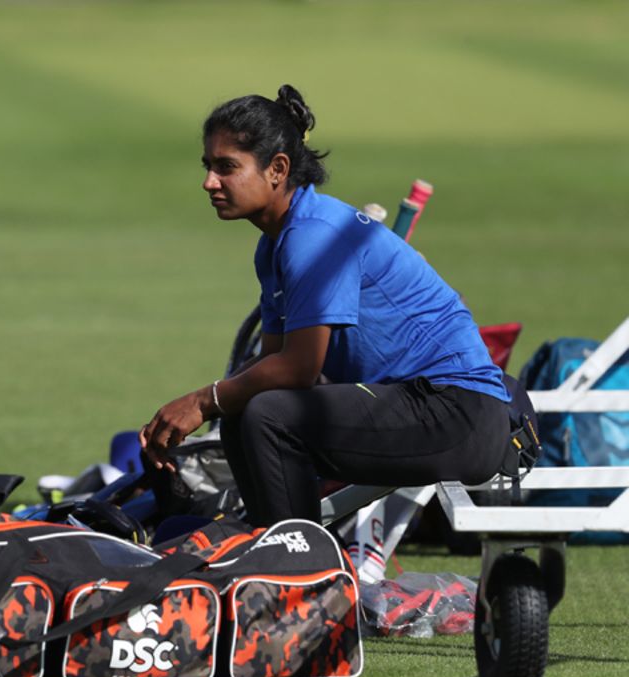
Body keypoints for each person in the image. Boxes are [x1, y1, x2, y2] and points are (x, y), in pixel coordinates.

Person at [138, 85, 511, 528]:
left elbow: (298, 369)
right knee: (247, 412)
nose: (209, 182)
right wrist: (192, 412)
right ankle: (270, 553)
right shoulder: (277, 243)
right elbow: (273, 362)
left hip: (459, 413)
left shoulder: (313, 235)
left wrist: (203, 400)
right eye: (208, 166)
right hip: (422, 404)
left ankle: (300, 571)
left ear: (278, 169)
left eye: (226, 167)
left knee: (269, 416)